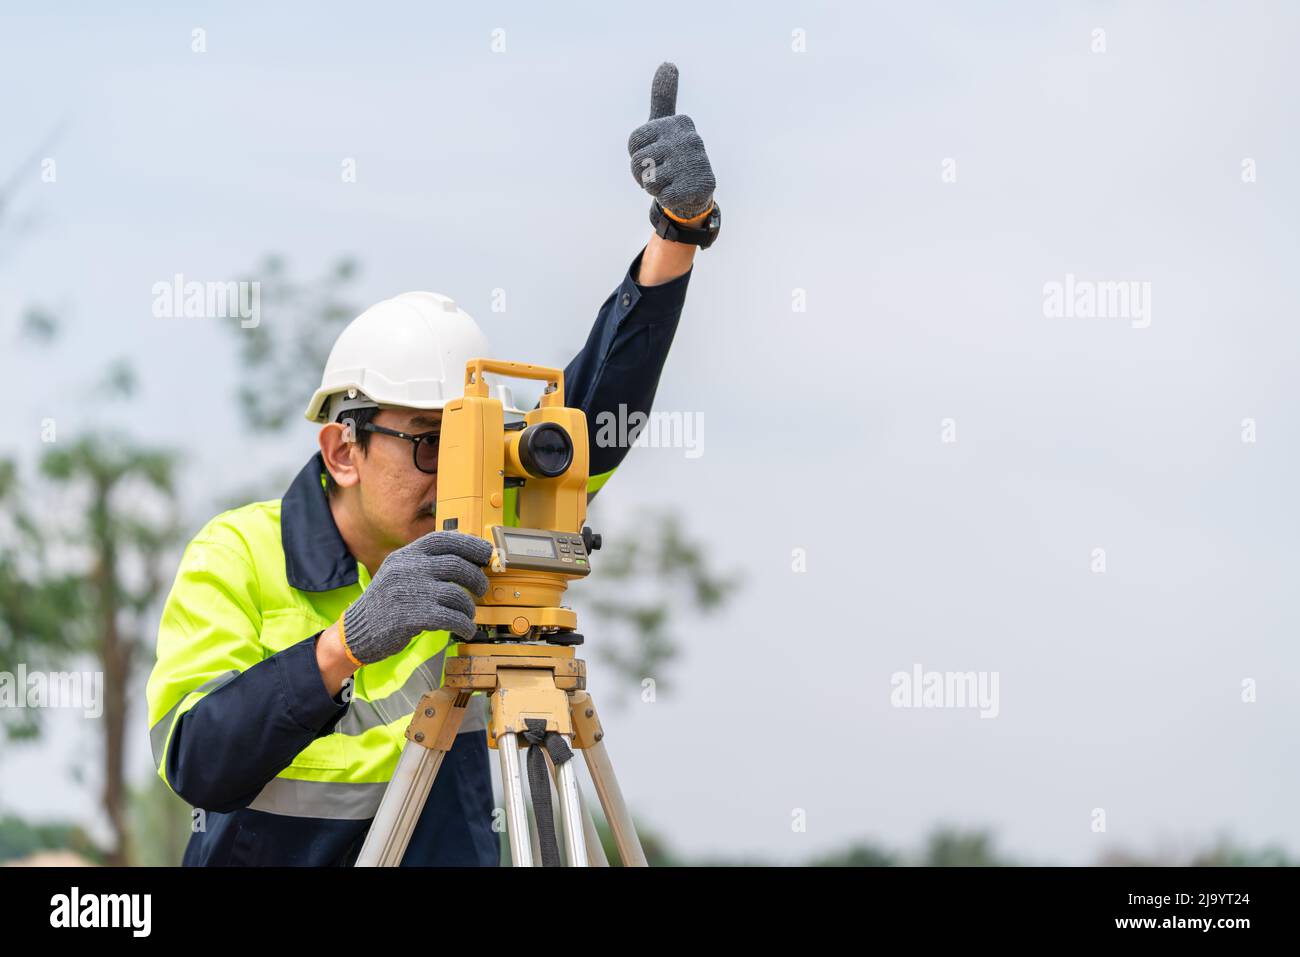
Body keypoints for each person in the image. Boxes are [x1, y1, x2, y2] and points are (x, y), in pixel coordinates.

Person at [144, 62, 721, 865]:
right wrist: (346, 643)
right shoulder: (238, 556)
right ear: (343, 447)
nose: (455, 473)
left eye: (472, 443)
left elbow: (589, 419)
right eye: (429, 443)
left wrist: (677, 234)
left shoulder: (481, 522)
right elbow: (197, 759)